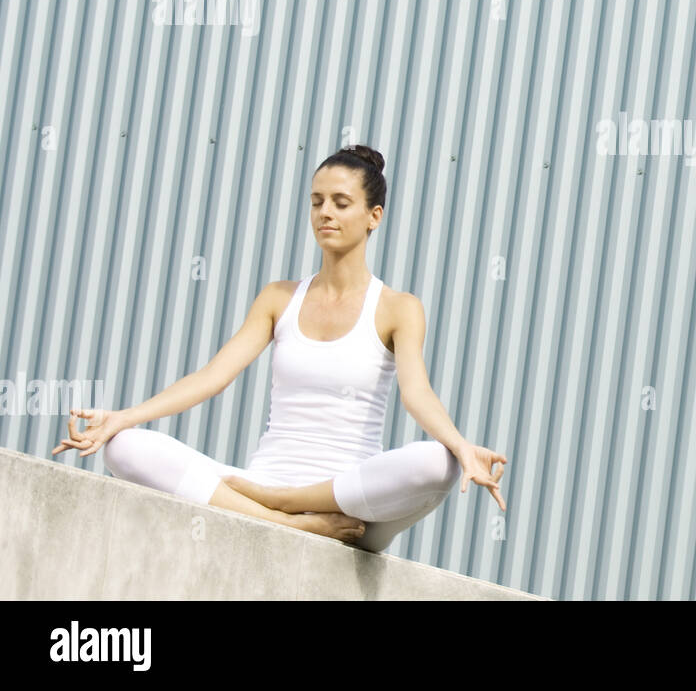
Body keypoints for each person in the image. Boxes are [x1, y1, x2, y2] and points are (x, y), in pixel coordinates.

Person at [51, 144, 507, 553]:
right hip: (258, 483)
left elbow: (417, 392)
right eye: (317, 201)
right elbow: (212, 377)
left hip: (350, 503)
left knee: (438, 464)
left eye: (341, 203)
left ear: (374, 216)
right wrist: (121, 418)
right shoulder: (279, 298)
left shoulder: (398, 308)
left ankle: (287, 504)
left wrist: (461, 446)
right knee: (124, 448)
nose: (325, 212)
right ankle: (276, 516)